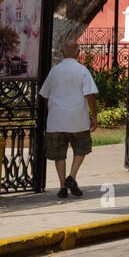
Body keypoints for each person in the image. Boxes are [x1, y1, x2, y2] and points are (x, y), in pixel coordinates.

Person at [38, 39, 99, 199]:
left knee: (59, 153)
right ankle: (71, 177)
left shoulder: (54, 71)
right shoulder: (82, 71)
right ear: (78, 53)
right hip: (77, 119)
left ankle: (62, 186)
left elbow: (45, 95)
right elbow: (90, 95)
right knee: (81, 148)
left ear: (62, 52)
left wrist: (51, 109)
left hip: (56, 120)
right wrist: (94, 116)